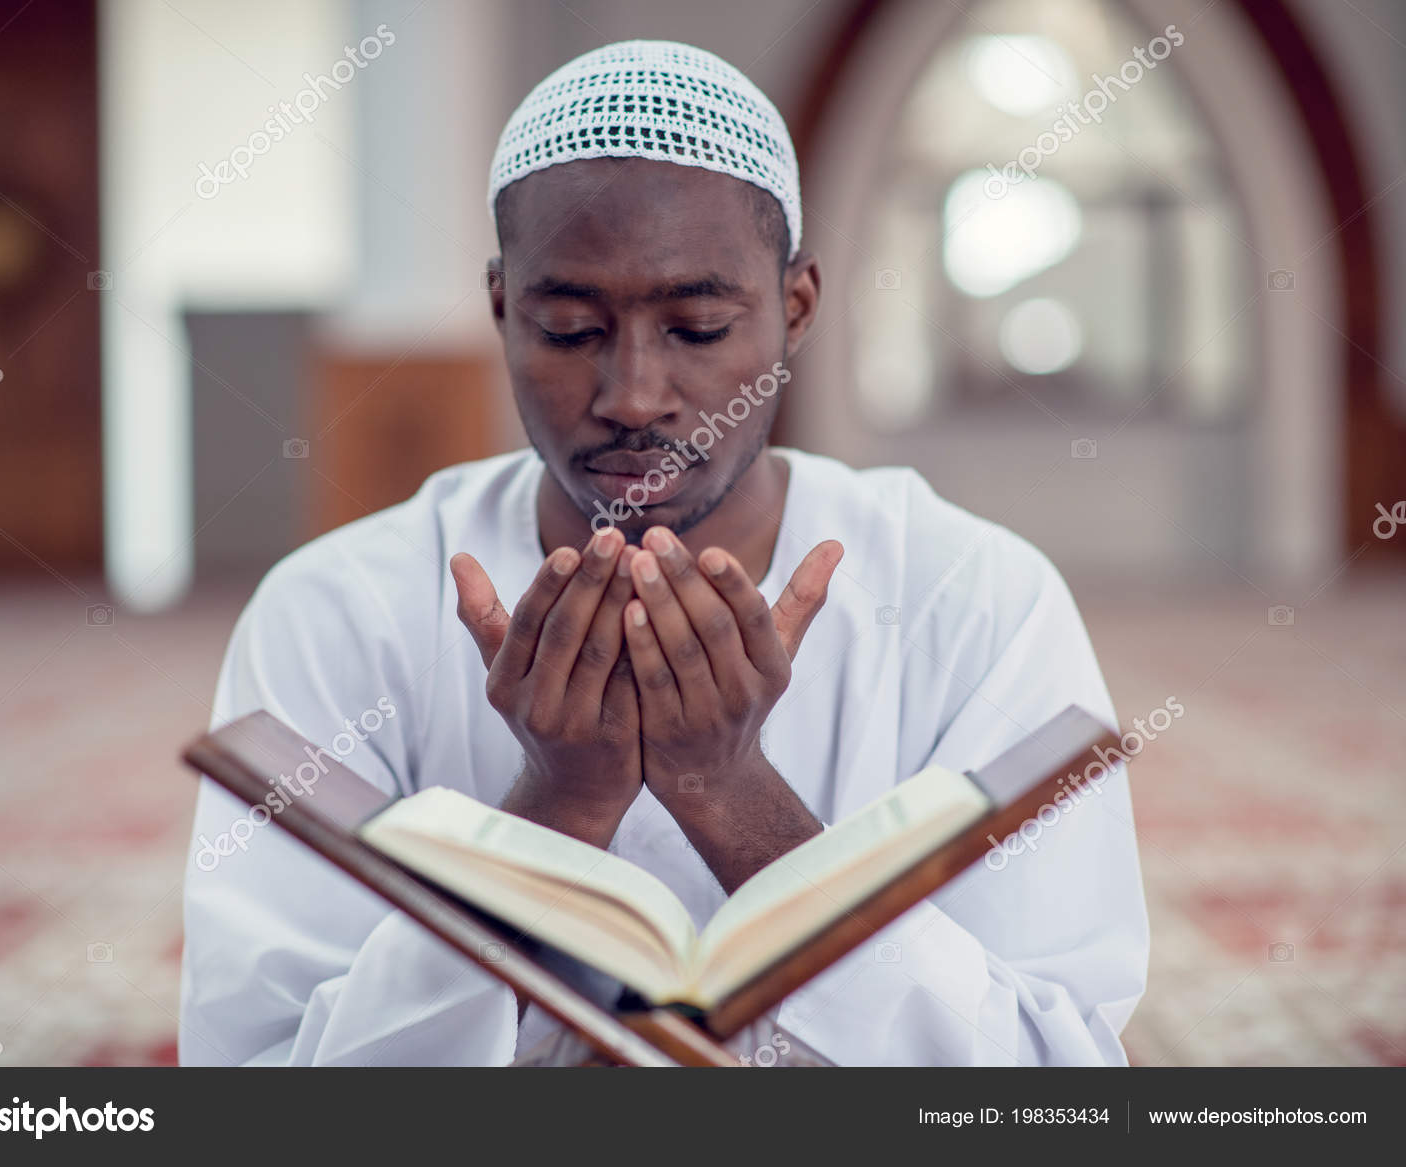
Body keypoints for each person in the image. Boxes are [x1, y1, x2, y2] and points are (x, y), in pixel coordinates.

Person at [179, 39, 1148, 1066]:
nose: (634, 397)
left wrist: (732, 794)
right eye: (567, 330)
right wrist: (553, 811)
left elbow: (1056, 1078)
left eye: (695, 327)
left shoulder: (976, 599)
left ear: (795, 309)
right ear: (502, 307)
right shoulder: (337, 612)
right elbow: (260, 1071)